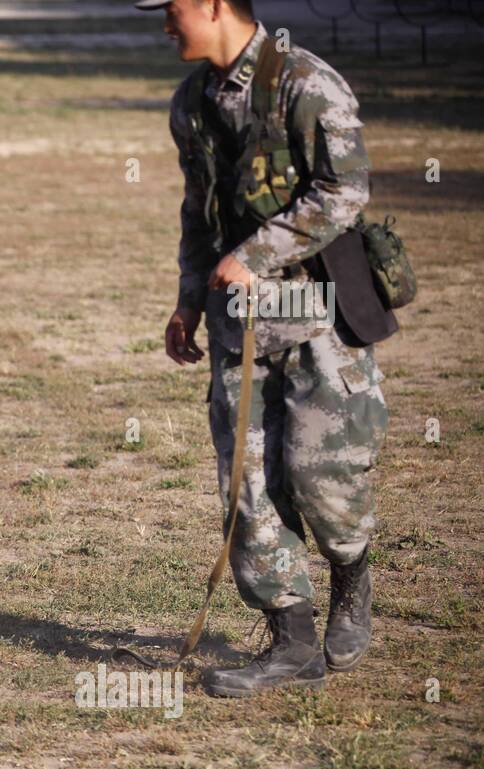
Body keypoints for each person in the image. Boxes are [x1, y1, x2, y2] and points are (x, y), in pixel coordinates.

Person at [139, 0, 391, 695]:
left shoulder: (306, 82)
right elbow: (200, 211)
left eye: (175, 10)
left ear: (217, 5)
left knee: (322, 478)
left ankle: (351, 576)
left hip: (319, 317)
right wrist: (189, 299)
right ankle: (291, 641)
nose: (165, 25)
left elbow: (346, 189)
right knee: (248, 487)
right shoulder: (190, 103)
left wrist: (256, 253)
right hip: (237, 327)